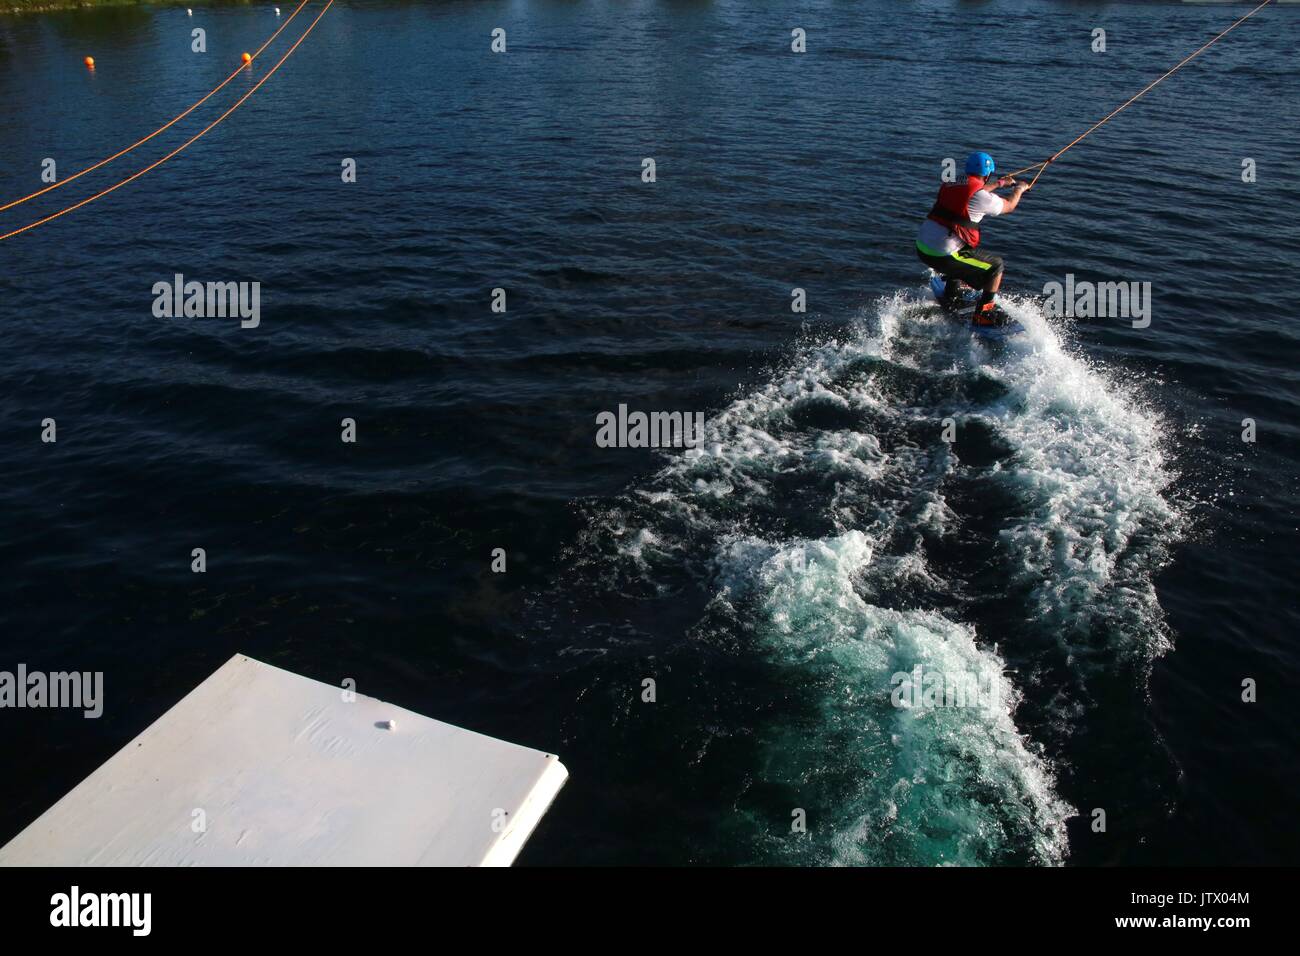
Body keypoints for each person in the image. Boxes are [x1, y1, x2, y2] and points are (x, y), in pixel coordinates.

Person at [916, 151, 1030, 326]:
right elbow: (1009, 206)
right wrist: (1019, 189)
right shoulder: (982, 197)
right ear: (988, 174)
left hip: (922, 247)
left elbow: (975, 189)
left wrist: (1001, 183)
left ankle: (951, 293)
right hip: (942, 254)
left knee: (963, 251)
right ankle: (984, 313)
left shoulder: (951, 183)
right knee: (996, 265)